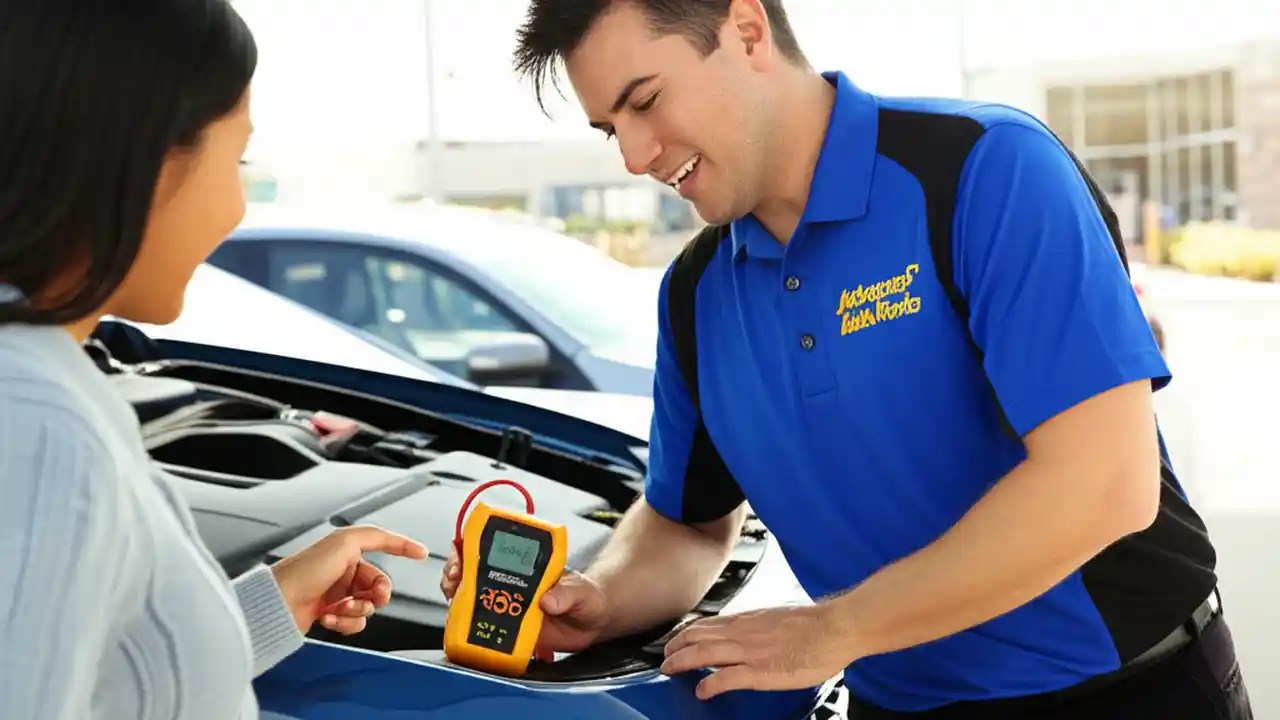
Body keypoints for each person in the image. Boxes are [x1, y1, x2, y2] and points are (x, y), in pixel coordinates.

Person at [441, 1, 1253, 718]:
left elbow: (1105, 487)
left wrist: (830, 631)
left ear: (748, 29)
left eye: (645, 102)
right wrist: (604, 597)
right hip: (885, 703)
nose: (633, 155)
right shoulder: (693, 294)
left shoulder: (986, 168)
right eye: (610, 128)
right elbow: (689, 524)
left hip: (1125, 695)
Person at [0, 3, 427, 718]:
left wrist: (266, 606)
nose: (237, 208)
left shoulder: (42, 387)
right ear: (150, 161)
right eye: (239, 158)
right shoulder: (44, 429)